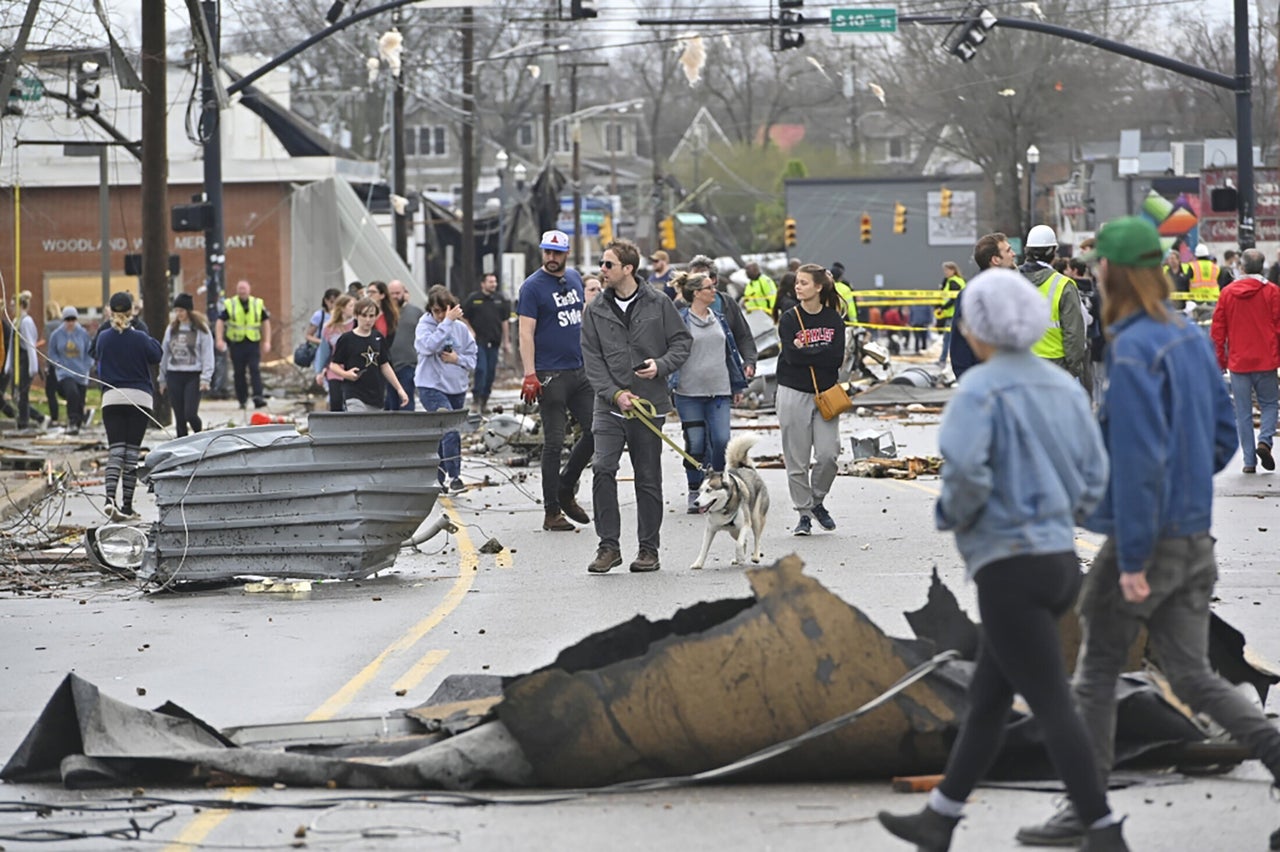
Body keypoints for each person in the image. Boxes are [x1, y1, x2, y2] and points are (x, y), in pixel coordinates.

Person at [1018, 217, 1280, 851]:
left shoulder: (1134, 348)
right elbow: (1224, 431)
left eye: (1098, 266)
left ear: (1113, 272)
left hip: (1147, 540)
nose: (1093, 274)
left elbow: (1135, 465)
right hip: (1192, 533)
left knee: (1097, 669)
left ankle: (1085, 807)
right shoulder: (1184, 337)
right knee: (1192, 675)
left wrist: (1132, 556)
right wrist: (1187, 486)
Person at [878, 268, 1124, 852]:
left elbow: (963, 471)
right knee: (989, 696)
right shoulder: (1065, 389)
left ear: (980, 329)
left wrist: (953, 516)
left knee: (1049, 702)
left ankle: (1103, 829)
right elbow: (1096, 476)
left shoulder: (980, 391)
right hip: (1059, 559)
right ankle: (940, 817)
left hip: (1007, 563)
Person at [580, 238, 691, 574]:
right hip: (609, 405)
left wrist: (660, 365)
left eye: (608, 265)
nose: (602, 270)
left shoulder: (658, 303)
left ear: (628, 269)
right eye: (601, 264)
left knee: (647, 476)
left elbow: (682, 342)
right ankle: (608, 547)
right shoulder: (595, 309)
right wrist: (615, 394)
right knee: (602, 469)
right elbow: (592, 360)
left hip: (649, 403)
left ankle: (648, 550)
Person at [517, 229, 594, 531]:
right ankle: (552, 512)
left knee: (596, 430)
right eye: (546, 252)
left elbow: (582, 321)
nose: (551, 258)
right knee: (553, 442)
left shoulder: (574, 278)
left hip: (579, 369)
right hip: (549, 373)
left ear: (566, 253)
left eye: (556, 253)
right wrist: (529, 374)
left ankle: (565, 486)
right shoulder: (532, 288)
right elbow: (525, 332)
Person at [670, 271, 748, 512]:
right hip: (689, 393)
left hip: (720, 391)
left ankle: (716, 487)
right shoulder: (681, 320)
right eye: (708, 288)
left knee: (721, 440)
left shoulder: (720, 319)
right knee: (695, 444)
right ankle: (695, 488)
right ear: (696, 293)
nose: (714, 290)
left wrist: (737, 385)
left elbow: (730, 353)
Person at [777, 263, 845, 536]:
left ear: (818, 287)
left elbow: (836, 358)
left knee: (829, 455)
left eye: (804, 283)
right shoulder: (790, 319)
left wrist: (807, 350)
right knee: (797, 459)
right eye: (797, 282)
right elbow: (792, 358)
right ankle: (803, 513)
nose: (798, 287)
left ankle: (816, 500)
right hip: (793, 392)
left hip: (826, 393)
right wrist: (818, 352)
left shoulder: (833, 319)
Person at [1210, 248, 1280, 474]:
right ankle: (1265, 441)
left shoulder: (1227, 293)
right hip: (1267, 360)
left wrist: (1219, 360)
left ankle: (1249, 461)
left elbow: (1218, 331)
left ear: (1241, 267)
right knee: (1270, 404)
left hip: (1239, 362)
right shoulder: (1273, 293)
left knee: (1243, 412)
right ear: (1263, 267)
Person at [94, 291, 162, 520]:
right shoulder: (140, 336)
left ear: (111, 311)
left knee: (116, 450)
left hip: (111, 398)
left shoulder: (103, 336)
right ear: (132, 311)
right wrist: (140, 327)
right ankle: (126, 506)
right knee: (131, 454)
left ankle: (109, 499)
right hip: (139, 398)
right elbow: (157, 354)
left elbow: (94, 353)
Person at [416, 286, 478, 493]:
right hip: (431, 386)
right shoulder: (425, 326)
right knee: (449, 428)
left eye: (445, 311)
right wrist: (447, 322)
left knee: (445, 432)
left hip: (456, 387)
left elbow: (472, 359)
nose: (441, 316)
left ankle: (438, 477)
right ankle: (455, 476)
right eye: (437, 311)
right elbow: (428, 347)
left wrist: (457, 359)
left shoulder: (461, 329)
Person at [1020, 225, 1088, 383]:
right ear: (1053, 252)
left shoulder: (1011, 279)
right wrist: (1074, 369)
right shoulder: (1064, 284)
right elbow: (1074, 333)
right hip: (1056, 364)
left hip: (1020, 362)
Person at [950, 233, 1018, 380]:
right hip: (985, 379)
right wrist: (967, 380)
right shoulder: (972, 295)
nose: (1013, 254)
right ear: (995, 260)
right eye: (1008, 251)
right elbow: (960, 342)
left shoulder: (1014, 288)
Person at [329, 297, 409, 412]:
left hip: (376, 394)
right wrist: (346, 374)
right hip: (354, 393)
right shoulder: (347, 339)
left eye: (371, 316)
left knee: (373, 427)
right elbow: (333, 365)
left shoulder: (378, 337)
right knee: (359, 423)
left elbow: (384, 365)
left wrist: (399, 389)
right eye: (364, 316)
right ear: (356, 316)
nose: (368, 320)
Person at [687, 255, 757, 377]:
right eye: (693, 278)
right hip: (691, 379)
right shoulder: (680, 307)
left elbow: (743, 336)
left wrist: (749, 362)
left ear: (713, 279)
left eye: (701, 278)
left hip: (724, 374)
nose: (695, 283)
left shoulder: (727, 304)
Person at [159, 293, 215, 438]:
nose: (179, 314)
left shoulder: (201, 330)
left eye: (181, 311)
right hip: (174, 374)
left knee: (190, 413)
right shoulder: (171, 329)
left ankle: (200, 436)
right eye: (176, 311)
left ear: (189, 311)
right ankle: (182, 445)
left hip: (193, 375)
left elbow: (207, 354)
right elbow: (164, 353)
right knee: (179, 417)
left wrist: (206, 378)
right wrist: (162, 378)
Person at [215, 279, 272, 410]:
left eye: (244, 288)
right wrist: (219, 339)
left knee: (255, 369)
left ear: (249, 289)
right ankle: (242, 399)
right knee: (239, 372)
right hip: (236, 343)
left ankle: (258, 397)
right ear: (237, 290)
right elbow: (220, 321)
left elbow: (266, 322)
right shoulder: (230, 304)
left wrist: (267, 341)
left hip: (252, 342)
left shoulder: (257, 303)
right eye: (240, 288)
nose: (242, 291)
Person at [463, 272, 510, 413]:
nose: (493, 284)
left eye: (495, 281)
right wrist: (470, 330)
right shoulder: (473, 299)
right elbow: (463, 317)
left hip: (494, 341)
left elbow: (505, 321)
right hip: (479, 342)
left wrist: (506, 341)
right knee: (481, 369)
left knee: (490, 372)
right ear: (483, 284)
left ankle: (485, 400)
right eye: (490, 281)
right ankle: (476, 398)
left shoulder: (500, 300)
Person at [47, 307, 91, 435]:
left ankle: (78, 423)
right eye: (68, 319)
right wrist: (58, 364)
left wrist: (87, 366)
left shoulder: (83, 334)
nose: (70, 322)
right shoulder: (57, 335)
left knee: (79, 399)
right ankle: (72, 419)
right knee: (72, 392)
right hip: (65, 372)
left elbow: (90, 352)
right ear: (63, 320)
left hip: (81, 372)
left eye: (73, 319)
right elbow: (52, 352)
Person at [384, 280, 422, 411]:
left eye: (397, 293)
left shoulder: (416, 313)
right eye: (392, 294)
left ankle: (408, 429)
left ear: (404, 293)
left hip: (408, 364)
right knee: (390, 402)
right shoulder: (382, 313)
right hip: (387, 365)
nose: (395, 296)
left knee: (406, 400)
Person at [315, 295, 355, 412]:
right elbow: (324, 351)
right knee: (336, 401)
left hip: (352, 369)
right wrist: (320, 371)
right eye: (351, 306)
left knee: (350, 402)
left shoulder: (356, 324)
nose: (354, 308)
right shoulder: (329, 328)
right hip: (334, 369)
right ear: (342, 308)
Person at [13, 293, 39, 430]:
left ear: (21, 305)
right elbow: (12, 346)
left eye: (14, 305)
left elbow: (30, 345)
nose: (12, 308)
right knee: (16, 393)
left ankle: (25, 421)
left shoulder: (26, 321)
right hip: (18, 361)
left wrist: (33, 366)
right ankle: (27, 417)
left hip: (25, 361)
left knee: (23, 393)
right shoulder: (17, 320)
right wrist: (8, 366)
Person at [41, 301, 62, 426]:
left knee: (50, 391)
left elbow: (50, 346)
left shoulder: (49, 326)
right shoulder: (62, 324)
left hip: (53, 363)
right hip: (65, 363)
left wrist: (47, 365)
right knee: (64, 390)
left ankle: (54, 418)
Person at [305, 288, 341, 358]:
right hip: (323, 351)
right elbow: (308, 336)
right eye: (331, 302)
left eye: (337, 303)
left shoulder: (343, 315)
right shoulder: (319, 315)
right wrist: (322, 342)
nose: (334, 305)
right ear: (326, 301)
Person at [364, 280, 399, 348]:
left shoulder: (389, 315)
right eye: (368, 292)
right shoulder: (363, 313)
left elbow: (390, 337)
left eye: (373, 292)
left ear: (382, 295)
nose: (370, 295)